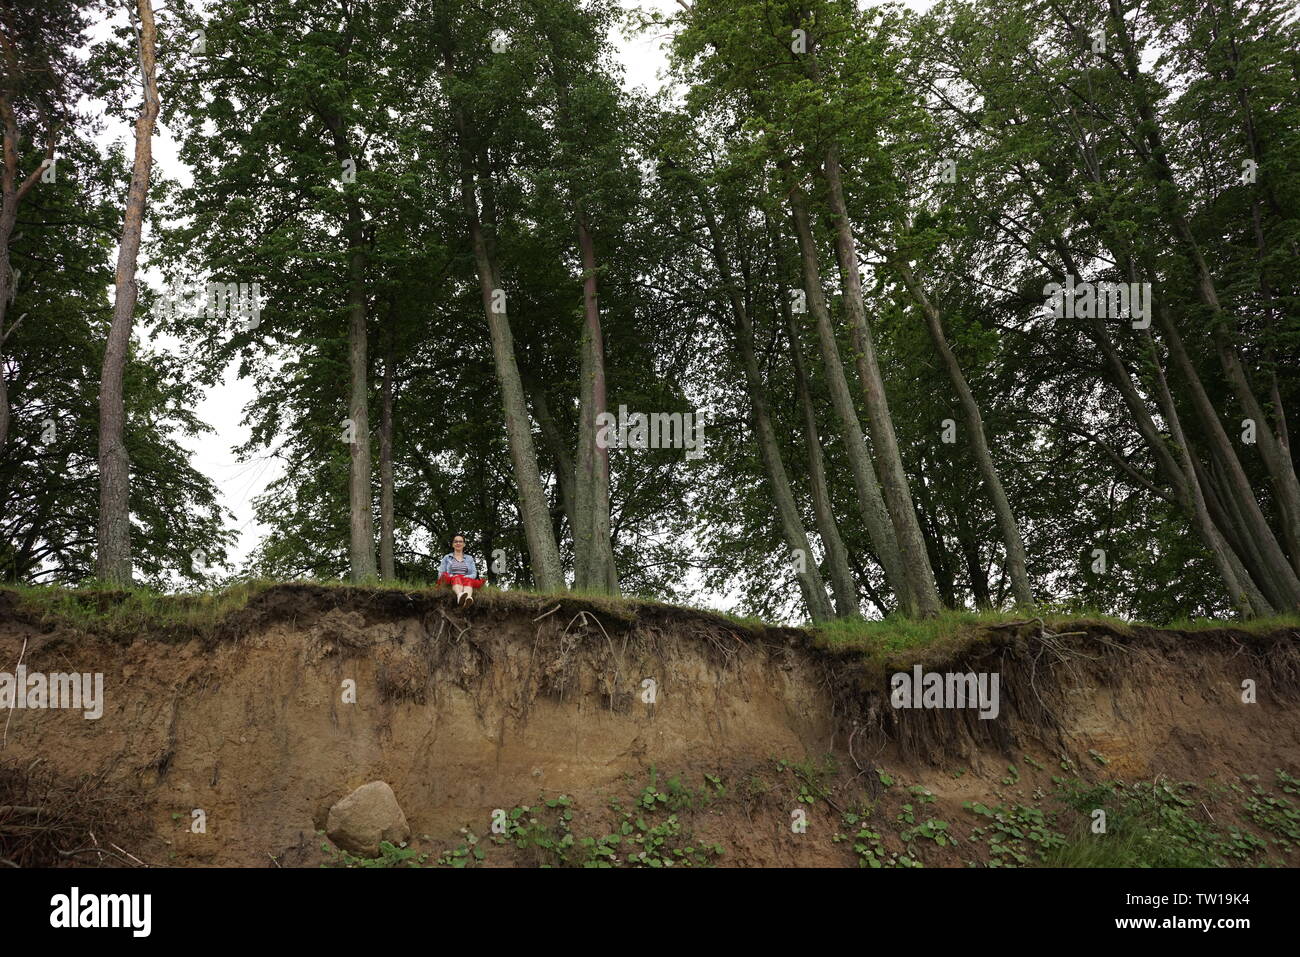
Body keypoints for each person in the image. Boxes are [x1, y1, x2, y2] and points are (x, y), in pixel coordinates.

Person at [438, 534, 485, 605]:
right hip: (451, 578)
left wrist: (466, 577)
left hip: (465, 579)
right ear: (453, 544)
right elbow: (441, 572)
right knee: (456, 577)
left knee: (468, 580)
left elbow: (474, 573)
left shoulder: (469, 558)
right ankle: (459, 595)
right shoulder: (447, 557)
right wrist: (448, 578)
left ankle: (468, 598)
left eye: (460, 541)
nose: (458, 543)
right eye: (456, 542)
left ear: (464, 544)